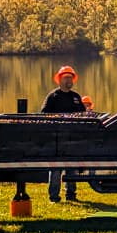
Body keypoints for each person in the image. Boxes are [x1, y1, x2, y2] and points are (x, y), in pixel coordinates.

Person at [41, 65, 86, 202]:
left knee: (72, 167)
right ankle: (54, 196)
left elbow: (83, 115)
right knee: (56, 168)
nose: (69, 81)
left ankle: (71, 195)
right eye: (66, 78)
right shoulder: (53, 96)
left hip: (73, 138)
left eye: (71, 78)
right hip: (56, 138)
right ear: (59, 80)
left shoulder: (76, 97)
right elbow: (44, 115)